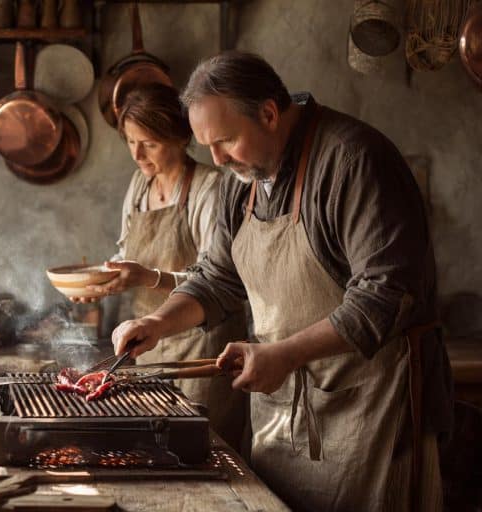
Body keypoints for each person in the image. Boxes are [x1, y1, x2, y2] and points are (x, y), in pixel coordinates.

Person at [111, 52, 453, 512]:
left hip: (373, 410)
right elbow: (216, 278)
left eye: (226, 140)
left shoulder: (353, 162)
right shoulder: (241, 177)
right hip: (284, 412)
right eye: (207, 145)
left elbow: (385, 297)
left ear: (269, 113)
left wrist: (284, 354)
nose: (216, 159)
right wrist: (157, 322)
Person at [73, 84, 247, 448]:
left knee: (203, 445)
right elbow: (125, 255)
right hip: (148, 343)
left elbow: (220, 280)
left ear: (180, 137)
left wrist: (149, 277)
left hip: (202, 345)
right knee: (155, 446)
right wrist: (103, 284)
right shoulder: (140, 184)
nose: (137, 154)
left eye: (149, 143)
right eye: (130, 142)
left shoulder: (209, 188)